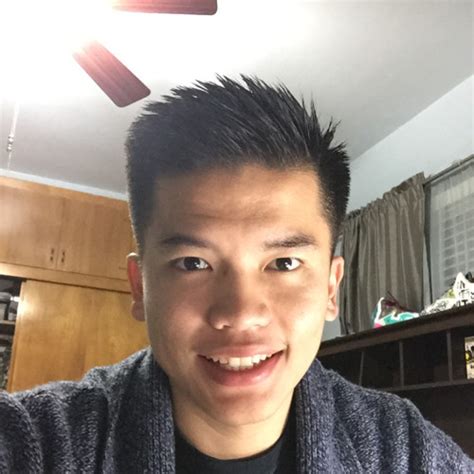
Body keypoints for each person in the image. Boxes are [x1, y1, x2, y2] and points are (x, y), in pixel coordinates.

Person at [0, 76, 472, 473]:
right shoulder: (41, 443)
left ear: (331, 287)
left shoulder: (401, 449)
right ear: (140, 285)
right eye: (193, 263)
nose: (242, 313)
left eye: (284, 263)